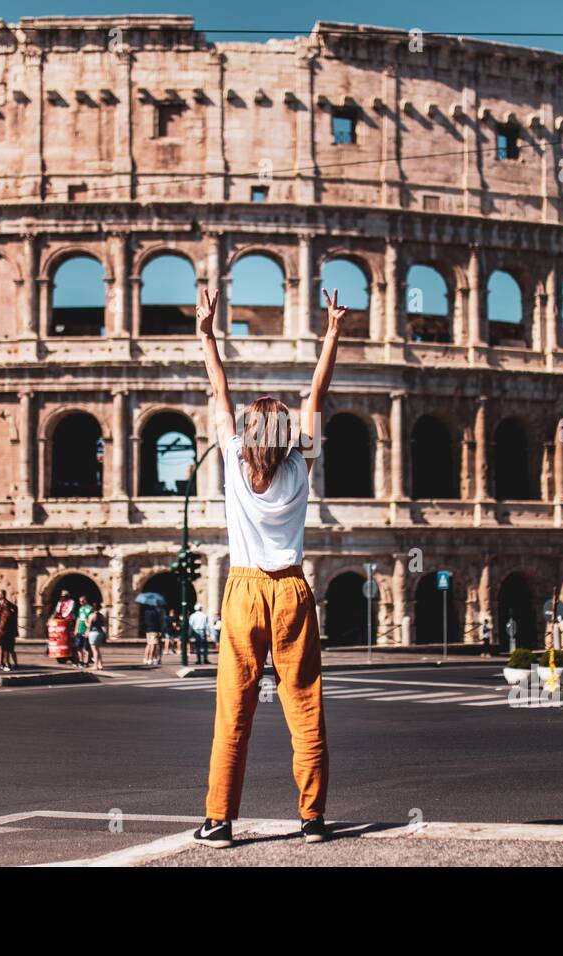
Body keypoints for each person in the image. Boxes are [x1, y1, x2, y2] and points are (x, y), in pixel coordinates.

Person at [192, 286, 338, 850]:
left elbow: (219, 389)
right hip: (293, 590)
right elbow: (317, 390)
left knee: (235, 707)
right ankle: (312, 820)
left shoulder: (232, 459)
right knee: (305, 704)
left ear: (250, 436)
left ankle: (220, 821)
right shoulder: (303, 464)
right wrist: (331, 332)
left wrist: (207, 331)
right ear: (287, 438)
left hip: (245, 590)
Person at [74, 596, 95, 668]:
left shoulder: (90, 608)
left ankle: (86, 662)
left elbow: (91, 620)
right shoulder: (80, 609)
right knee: (78, 647)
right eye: (80, 601)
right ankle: (81, 661)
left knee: (86, 648)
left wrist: (88, 630)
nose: (81, 602)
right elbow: (79, 619)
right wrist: (76, 629)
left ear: (85, 600)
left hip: (86, 630)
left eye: (82, 601)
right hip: (80, 630)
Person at [140, 602, 164, 666]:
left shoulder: (146, 612)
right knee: (154, 645)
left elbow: (145, 621)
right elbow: (158, 622)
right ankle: (151, 659)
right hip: (154, 630)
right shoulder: (155, 612)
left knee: (148, 644)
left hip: (148, 630)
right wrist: (159, 631)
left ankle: (145, 659)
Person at [86, 603, 107, 670]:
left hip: (93, 633)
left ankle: (95, 666)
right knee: (97, 649)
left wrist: (86, 623)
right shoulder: (101, 616)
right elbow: (104, 625)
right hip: (100, 633)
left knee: (94, 650)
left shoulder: (92, 615)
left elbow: (89, 626)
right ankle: (100, 664)